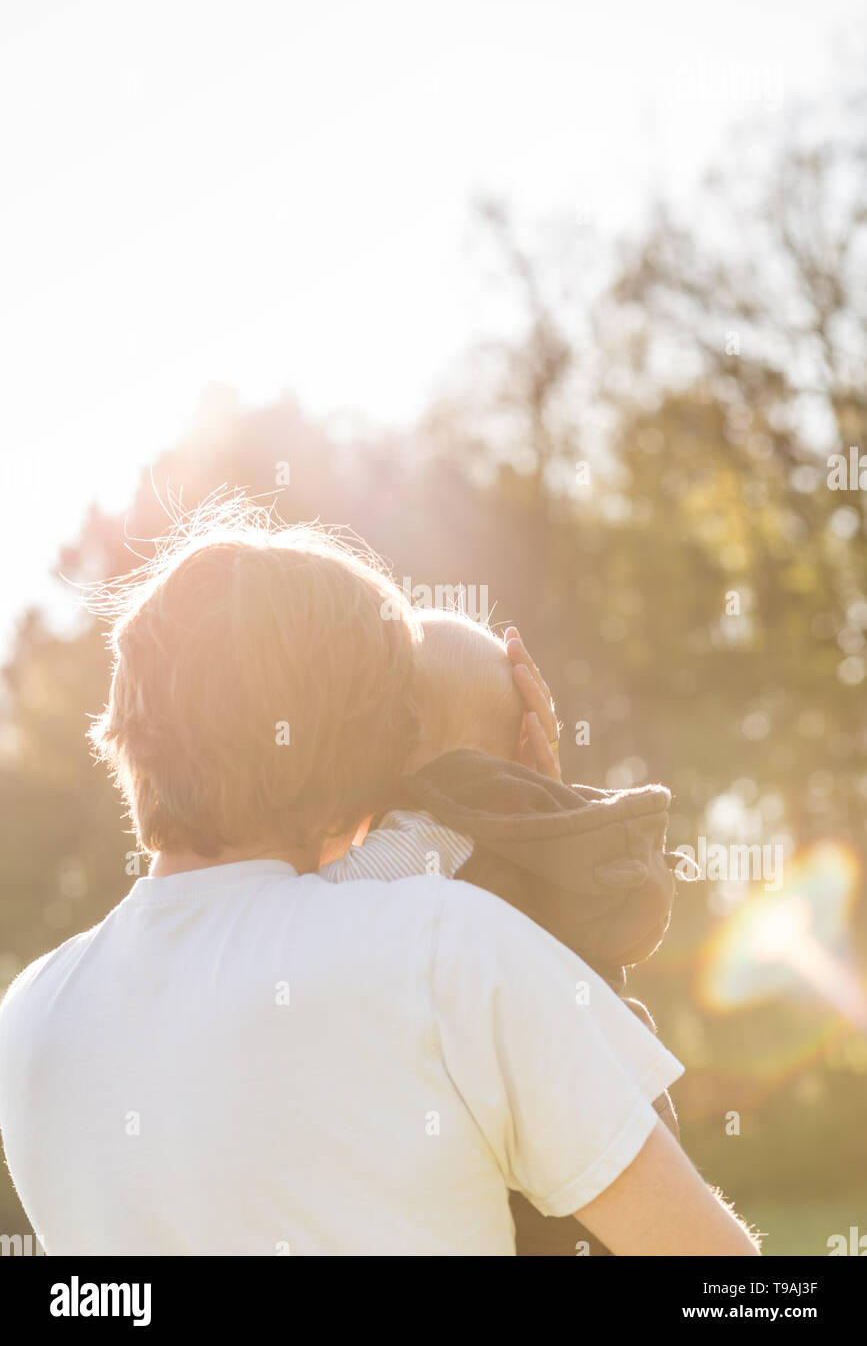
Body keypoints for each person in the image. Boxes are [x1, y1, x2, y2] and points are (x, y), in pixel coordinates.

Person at [0, 503, 759, 1255]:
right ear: (358, 752)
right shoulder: (445, 948)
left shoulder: (29, 1014)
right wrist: (522, 830)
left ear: (131, 724)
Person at [321, 607, 684, 1254]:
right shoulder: (548, 836)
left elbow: (309, 909)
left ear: (389, 740)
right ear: (523, 742)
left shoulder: (421, 837)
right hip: (607, 1122)